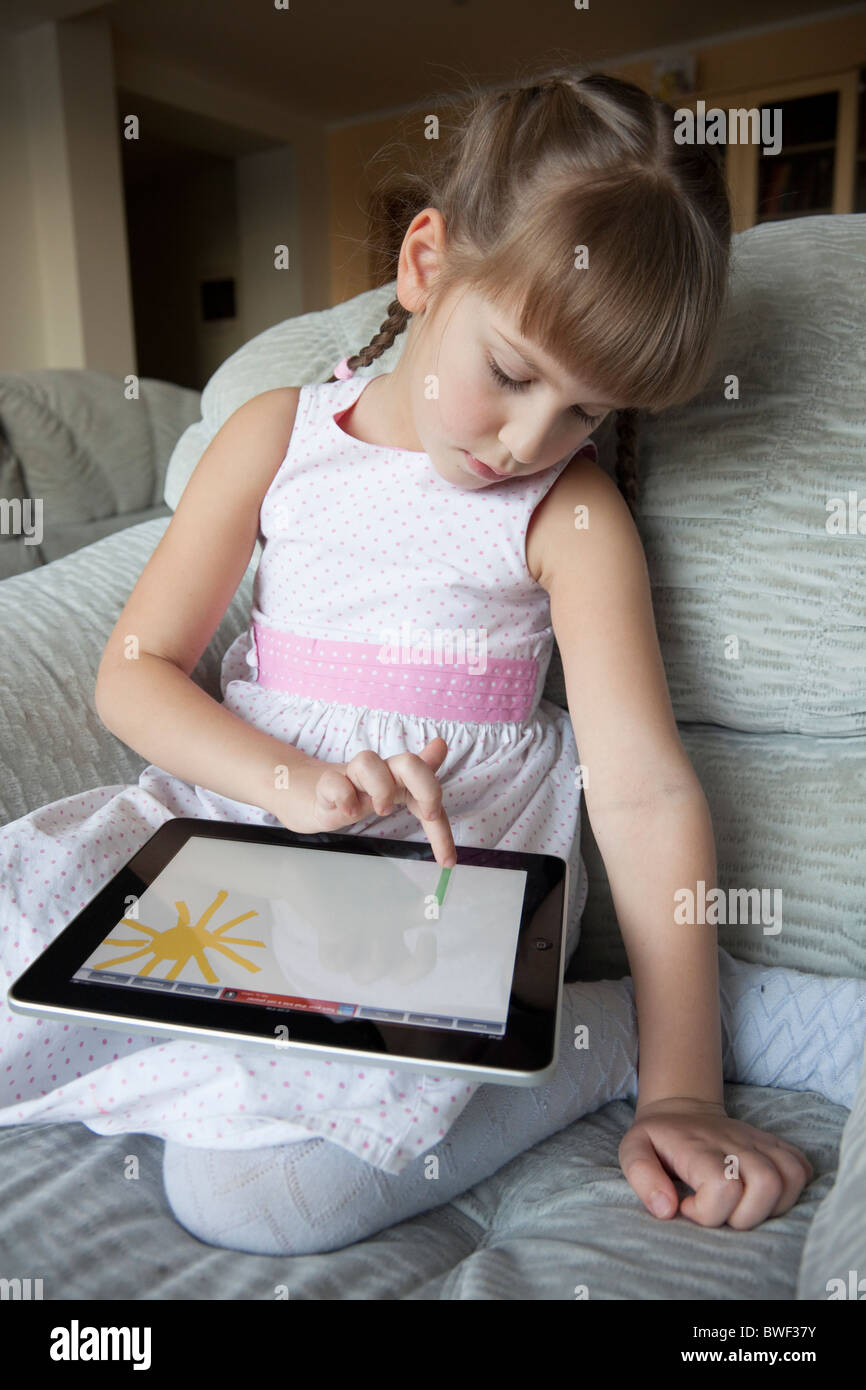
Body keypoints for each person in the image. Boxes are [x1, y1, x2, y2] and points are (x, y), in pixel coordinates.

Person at [1, 69, 864, 1260]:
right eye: (512, 373)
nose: (527, 442)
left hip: (428, 908)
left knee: (246, 1198)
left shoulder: (569, 516)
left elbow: (645, 790)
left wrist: (677, 1085)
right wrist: (293, 785)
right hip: (234, 838)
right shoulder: (275, 437)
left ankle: (601, 1038)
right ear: (425, 264)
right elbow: (135, 670)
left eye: (583, 414)